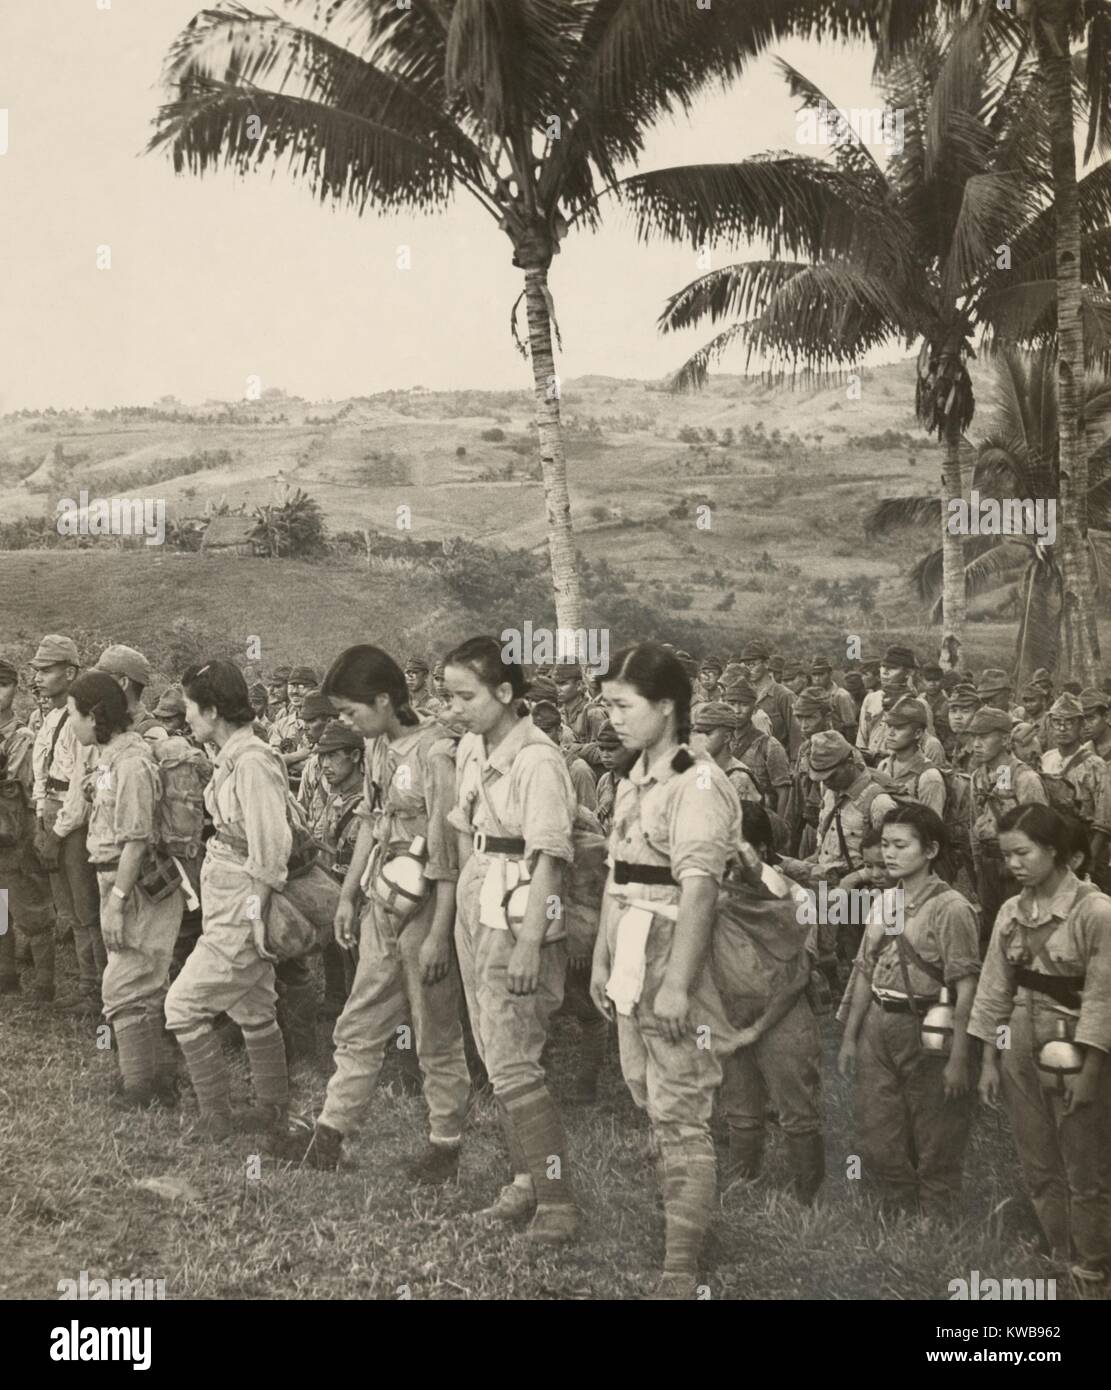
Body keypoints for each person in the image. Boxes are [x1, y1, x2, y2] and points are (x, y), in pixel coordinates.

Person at [592, 642, 745, 1299]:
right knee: (644, 1087)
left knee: (680, 1106)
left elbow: (700, 889)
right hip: (631, 947)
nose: (612, 719)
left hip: (675, 950)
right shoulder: (636, 776)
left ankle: (682, 1264)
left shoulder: (698, 783)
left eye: (623, 706)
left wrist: (679, 983)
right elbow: (618, 874)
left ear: (666, 707)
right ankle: (684, 1217)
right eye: (607, 705)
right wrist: (601, 956)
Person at [288, 646, 471, 1183]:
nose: (346, 723)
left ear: (386, 700)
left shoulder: (437, 755)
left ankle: (446, 1146)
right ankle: (329, 1135)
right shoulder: (377, 748)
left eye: (351, 712)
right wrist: (348, 895)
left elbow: (448, 854)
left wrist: (440, 934)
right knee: (360, 1017)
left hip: (430, 907)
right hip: (383, 902)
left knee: (435, 1028)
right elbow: (372, 821)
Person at [446, 635, 580, 1243]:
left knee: (514, 1052)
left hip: (520, 900)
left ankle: (556, 1203)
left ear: (505, 693)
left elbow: (550, 855)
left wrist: (530, 941)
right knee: (494, 1046)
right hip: (479, 891)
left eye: (465, 695)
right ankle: (525, 1183)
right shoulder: (474, 746)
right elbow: (465, 825)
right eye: (448, 695)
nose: (455, 707)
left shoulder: (538, 759)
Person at [970, 804, 1111, 1283]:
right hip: (1020, 1040)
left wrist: (1092, 1072)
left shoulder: (1094, 911)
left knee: (1084, 1160)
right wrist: (989, 1058)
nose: (1013, 864)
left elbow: (1101, 997)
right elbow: (994, 988)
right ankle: (1058, 1247)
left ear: (1054, 852)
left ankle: (1092, 1262)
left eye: (1023, 853)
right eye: (1007, 855)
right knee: (1036, 1156)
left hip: (1073, 1044)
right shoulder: (1012, 911)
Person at [163, 660, 294, 1140]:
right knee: (253, 1007)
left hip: (243, 907)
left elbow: (270, 847)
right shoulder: (232, 756)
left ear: (213, 709)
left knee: (182, 1006)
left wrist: (256, 917)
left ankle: (216, 1117)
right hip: (229, 901)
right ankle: (272, 1110)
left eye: (192, 710)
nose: (188, 719)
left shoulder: (254, 762)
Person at [837, 804, 981, 1220]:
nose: (890, 854)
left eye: (901, 845)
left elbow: (966, 985)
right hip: (879, 1022)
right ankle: (899, 1205)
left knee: (936, 1127)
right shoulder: (884, 901)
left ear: (931, 850)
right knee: (878, 1126)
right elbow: (865, 969)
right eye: (886, 845)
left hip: (929, 1026)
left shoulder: (951, 907)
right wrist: (850, 1037)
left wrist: (958, 1058)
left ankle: (936, 1217)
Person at [70, 671, 184, 1109]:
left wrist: (116, 904)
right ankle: (157, 1082)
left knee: (125, 984)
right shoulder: (111, 757)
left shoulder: (131, 762)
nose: (72, 722)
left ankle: (141, 1089)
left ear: (94, 716)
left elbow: (136, 839)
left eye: (75, 714)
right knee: (139, 980)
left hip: (133, 883)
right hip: (118, 878)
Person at [717, 802, 824, 1203]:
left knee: (797, 1110)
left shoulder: (796, 897)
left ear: (760, 851)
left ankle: (807, 1199)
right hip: (733, 1014)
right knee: (740, 1107)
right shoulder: (716, 894)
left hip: (782, 1015)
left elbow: (798, 977)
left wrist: (758, 1027)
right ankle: (743, 1186)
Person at [30, 634, 104, 1017]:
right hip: (52, 815)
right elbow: (42, 774)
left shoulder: (81, 719)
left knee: (87, 909)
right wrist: (43, 818)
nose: (39, 678)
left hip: (73, 821)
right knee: (70, 910)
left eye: (47, 670)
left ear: (70, 672)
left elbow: (80, 785)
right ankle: (87, 985)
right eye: (37, 670)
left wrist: (58, 832)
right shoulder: (51, 717)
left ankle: (99, 993)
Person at [0, 657, 56, 1002]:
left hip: (17, 834)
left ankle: (45, 984)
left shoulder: (22, 737)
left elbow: (18, 782)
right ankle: (6, 974)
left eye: (2, 685)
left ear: (14, 689)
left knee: (32, 909)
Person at [969, 706, 1047, 951]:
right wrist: (977, 863)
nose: (976, 744)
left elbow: (1042, 832)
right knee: (991, 927)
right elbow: (975, 821)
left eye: (983, 737)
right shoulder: (978, 776)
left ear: (1004, 739)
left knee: (1022, 928)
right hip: (988, 864)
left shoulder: (1025, 779)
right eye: (974, 737)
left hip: (1018, 868)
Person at [311, 719, 366, 1021]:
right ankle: (339, 999)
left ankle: (401, 1043)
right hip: (335, 889)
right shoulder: (335, 797)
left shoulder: (369, 801)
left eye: (333, 755)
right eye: (321, 756)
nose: (325, 764)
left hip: (363, 897)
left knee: (370, 972)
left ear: (356, 756)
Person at [1039, 692, 1111, 891]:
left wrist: (1090, 860)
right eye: (1057, 722)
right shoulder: (1047, 759)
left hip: (1087, 847)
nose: (1062, 728)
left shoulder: (1095, 765)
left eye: (1069, 722)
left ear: (1080, 725)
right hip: (1055, 847)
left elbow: (1103, 820)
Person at [723, 679, 792, 818]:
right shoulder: (719, 741)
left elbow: (783, 791)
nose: (736, 711)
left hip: (757, 822)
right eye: (731, 704)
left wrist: (777, 827)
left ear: (754, 709)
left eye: (743, 705)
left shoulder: (769, 745)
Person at [874, 698, 947, 816]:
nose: (891, 733)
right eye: (889, 726)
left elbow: (932, 828)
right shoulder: (884, 766)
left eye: (899, 728)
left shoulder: (929, 777)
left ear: (917, 733)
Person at [738, 640, 800, 758]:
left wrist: (794, 764)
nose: (748, 669)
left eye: (752, 664)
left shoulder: (784, 695)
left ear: (766, 664)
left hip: (777, 761)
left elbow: (796, 734)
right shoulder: (744, 694)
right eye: (745, 665)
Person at [531, 700, 597, 810]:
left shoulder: (578, 770)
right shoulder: (529, 765)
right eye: (536, 732)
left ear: (560, 732)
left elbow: (589, 819)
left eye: (546, 731)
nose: (540, 737)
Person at [93, 645, 167, 743]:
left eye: (101, 678)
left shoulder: (152, 734)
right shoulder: (104, 723)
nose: (94, 684)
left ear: (123, 683)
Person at [269, 664, 318, 788]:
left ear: (314, 689)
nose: (295, 691)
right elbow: (272, 760)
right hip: (285, 790)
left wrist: (286, 761)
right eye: (292, 686)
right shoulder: (280, 725)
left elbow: (319, 765)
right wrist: (302, 754)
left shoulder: (321, 724)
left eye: (301, 686)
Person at [810, 657, 857, 744]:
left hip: (838, 745)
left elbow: (850, 728)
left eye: (821, 674)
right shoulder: (812, 696)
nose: (817, 678)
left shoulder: (841, 696)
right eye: (814, 675)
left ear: (830, 674)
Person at [594, 722, 623, 833]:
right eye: (601, 749)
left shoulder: (635, 783)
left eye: (612, 749)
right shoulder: (604, 781)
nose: (605, 755)